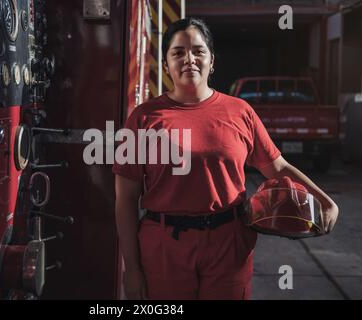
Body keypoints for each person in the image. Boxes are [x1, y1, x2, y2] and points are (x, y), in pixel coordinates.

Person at [112, 18, 338, 300]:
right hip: (163, 247)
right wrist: (131, 269)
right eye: (178, 52)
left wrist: (324, 200)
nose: (189, 59)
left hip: (228, 243)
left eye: (198, 50)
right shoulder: (143, 118)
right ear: (166, 64)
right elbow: (125, 199)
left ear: (212, 61)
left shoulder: (240, 112)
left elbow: (277, 168)